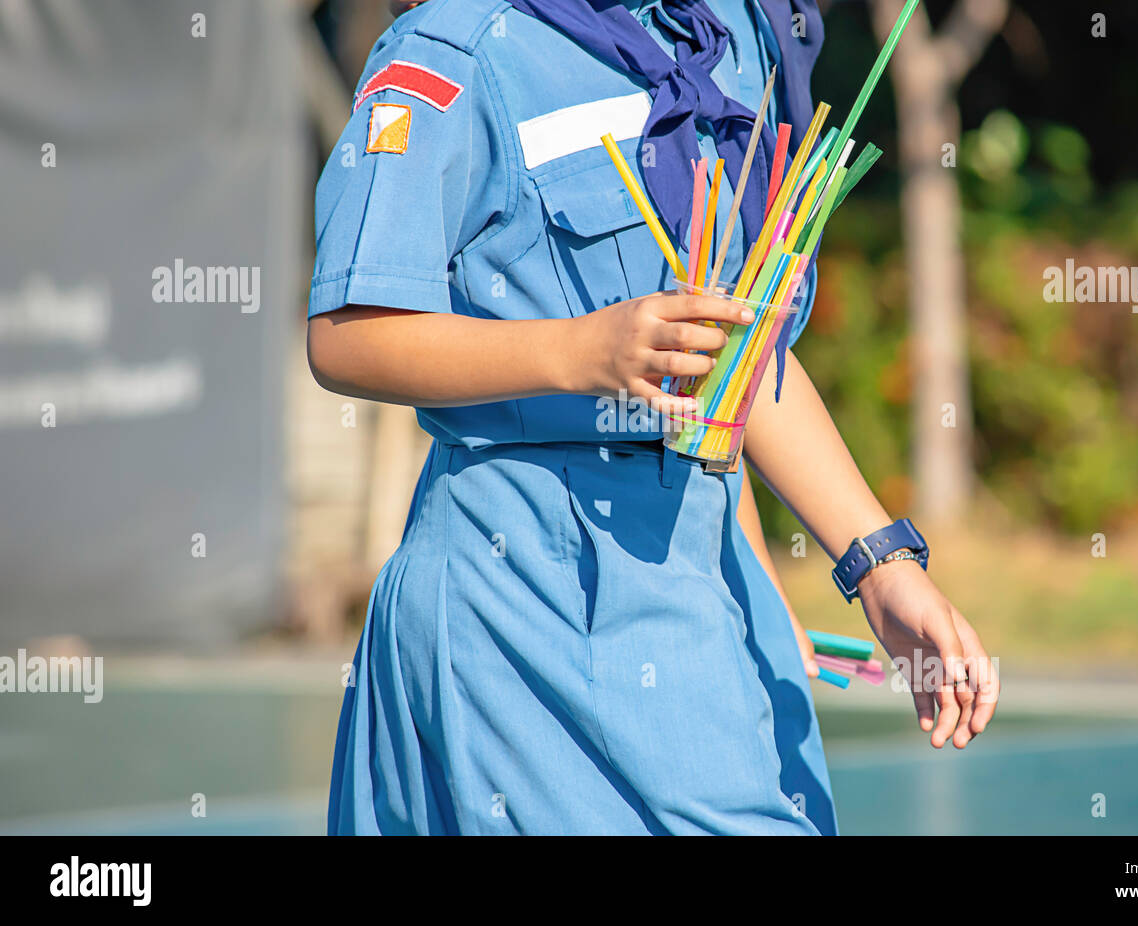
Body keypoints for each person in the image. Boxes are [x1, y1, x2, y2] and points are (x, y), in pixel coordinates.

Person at [310, 0, 998, 835]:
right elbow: (346, 335)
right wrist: (579, 353)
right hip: (518, 596)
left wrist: (881, 568)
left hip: (703, 584)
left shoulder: (734, 35)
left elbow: (741, 357)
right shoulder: (455, 47)